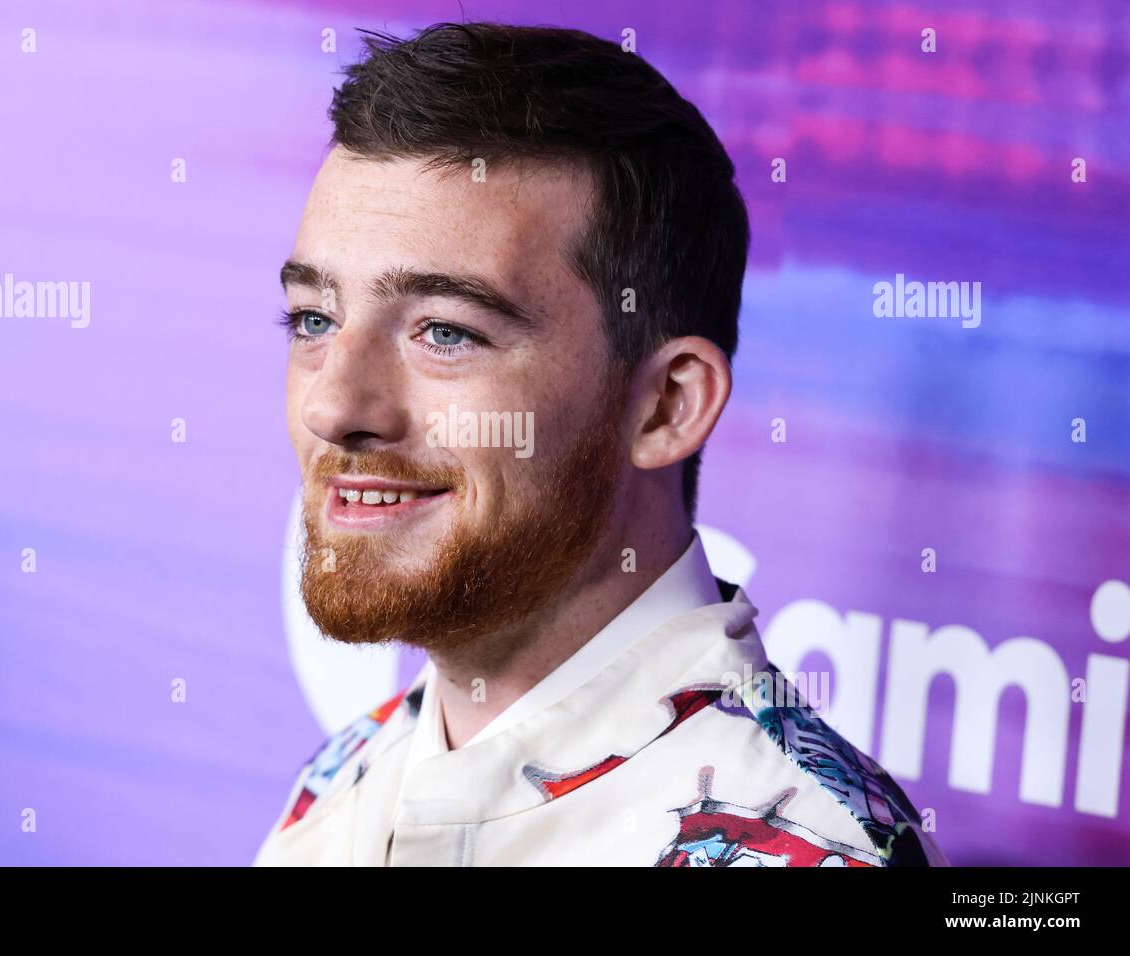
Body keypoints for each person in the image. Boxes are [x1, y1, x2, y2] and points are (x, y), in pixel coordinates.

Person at [255, 21, 947, 867]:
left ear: (665, 407)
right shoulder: (339, 779)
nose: (332, 405)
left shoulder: (813, 852)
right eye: (314, 319)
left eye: (446, 332)